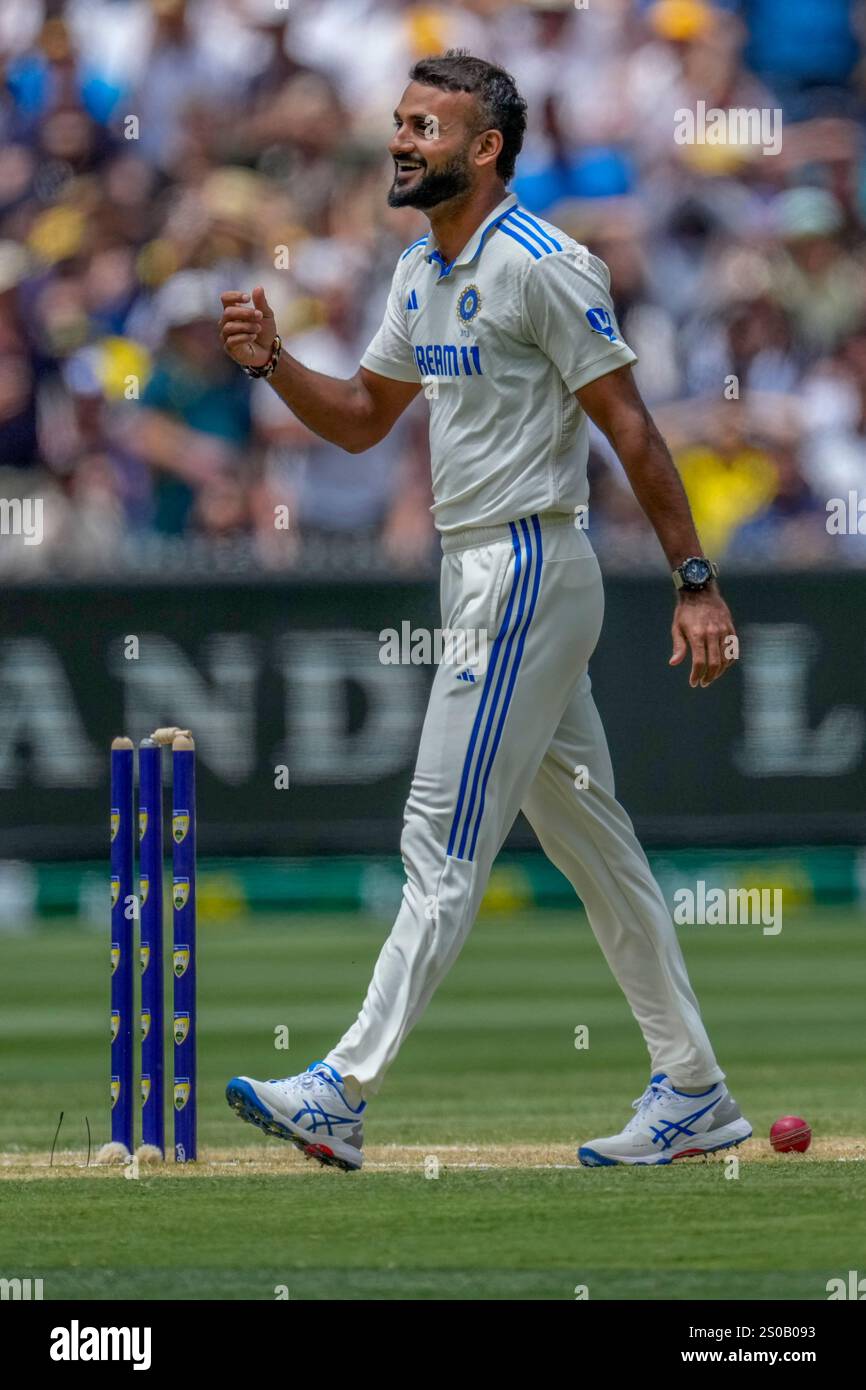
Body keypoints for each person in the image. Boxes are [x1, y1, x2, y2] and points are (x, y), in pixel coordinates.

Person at [219, 50, 751, 1169]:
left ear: (484, 149)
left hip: (524, 563)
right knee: (595, 848)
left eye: (425, 127)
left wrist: (694, 581)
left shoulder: (543, 266)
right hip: (475, 568)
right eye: (401, 122)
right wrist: (275, 364)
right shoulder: (420, 268)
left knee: (440, 835)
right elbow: (366, 415)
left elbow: (633, 427)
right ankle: (692, 1088)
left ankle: (342, 1087)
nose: (402, 141)